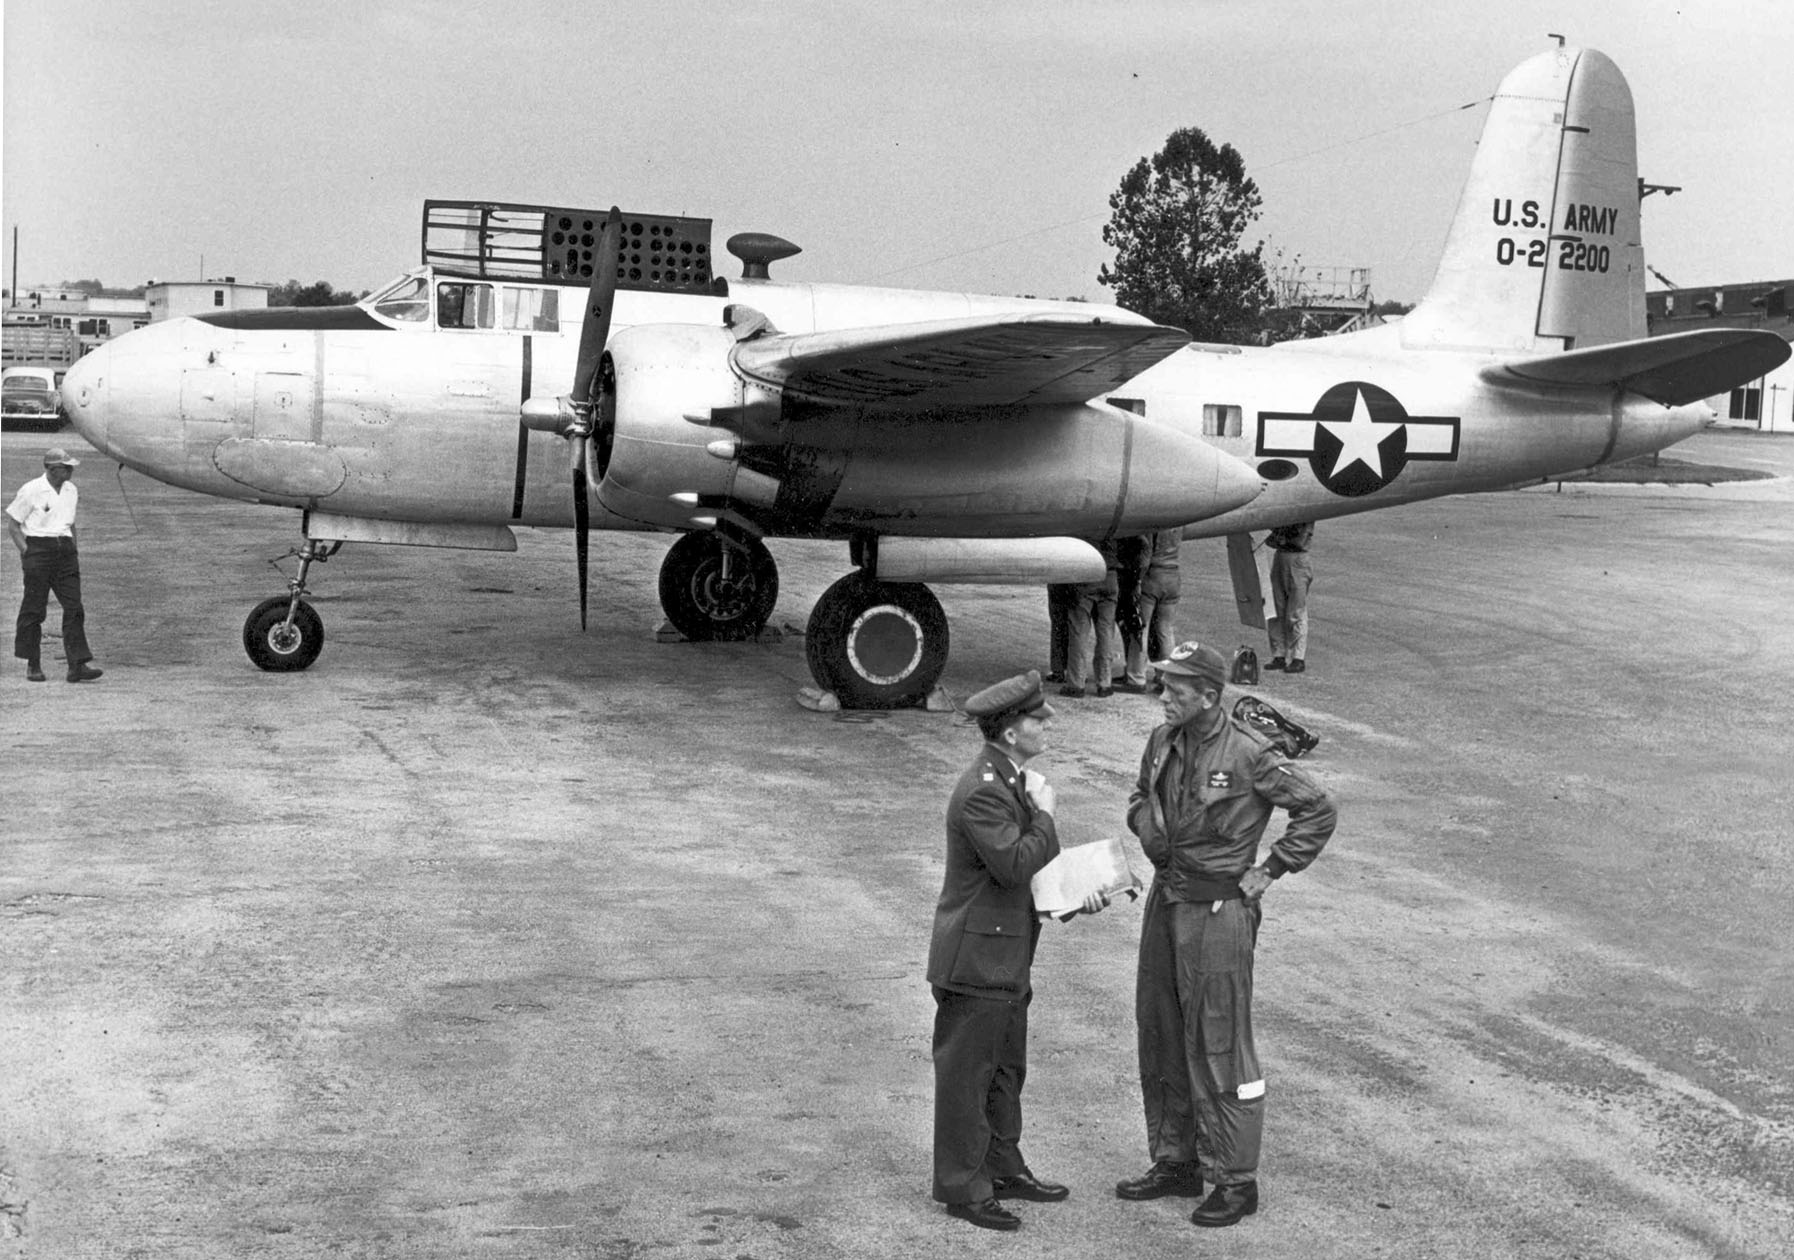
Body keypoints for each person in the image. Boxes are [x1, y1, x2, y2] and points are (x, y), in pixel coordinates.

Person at [1116, 641, 1336, 1227]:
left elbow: (1317, 809)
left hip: (1217, 911)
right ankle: (1176, 1160)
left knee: (1217, 1040)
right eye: (1164, 685)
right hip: (1167, 900)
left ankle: (1235, 1180)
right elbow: (1139, 797)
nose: (1163, 697)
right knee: (1160, 1029)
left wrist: (1271, 868)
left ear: (1209, 696)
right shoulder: (1163, 741)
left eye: (1176, 690)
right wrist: (1150, 829)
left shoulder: (1249, 754)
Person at [928, 669, 1107, 1231]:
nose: (1045, 724)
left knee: (1005, 1069)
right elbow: (1012, 865)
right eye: (1035, 719)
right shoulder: (985, 790)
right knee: (968, 1077)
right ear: (1009, 733)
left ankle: (1003, 1166)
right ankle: (964, 1187)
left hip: (1003, 954)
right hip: (978, 961)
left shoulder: (1008, 781)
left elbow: (1027, 876)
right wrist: (1047, 813)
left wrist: (1074, 897)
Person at [8, 448, 103, 683]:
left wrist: (74, 548)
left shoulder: (71, 490)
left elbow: (70, 523)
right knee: (34, 608)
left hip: (65, 553)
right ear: (51, 469)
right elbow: (13, 525)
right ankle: (33, 664)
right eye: (65, 467)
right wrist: (26, 552)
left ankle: (77, 665)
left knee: (74, 607)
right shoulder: (31, 490)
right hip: (38, 551)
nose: (70, 470)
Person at [1117, 529, 1181, 692]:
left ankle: (1136, 677)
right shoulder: (1178, 519)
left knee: (1140, 630)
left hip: (1153, 575)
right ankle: (1166, 678)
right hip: (1173, 574)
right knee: (1166, 630)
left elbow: (1146, 552)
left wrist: (1138, 579)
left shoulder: (1156, 519)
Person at [1061, 537, 1119, 698]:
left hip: (1085, 573)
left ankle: (1076, 684)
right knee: (1106, 631)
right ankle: (1104, 683)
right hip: (1110, 574)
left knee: (1079, 631)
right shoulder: (1112, 520)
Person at [1265, 522, 1315, 674]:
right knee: (1276, 609)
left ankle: (1298, 658)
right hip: (1282, 556)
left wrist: (1278, 536)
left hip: (1298, 557)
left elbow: (1293, 536)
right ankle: (1279, 655)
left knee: (1296, 611)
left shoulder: (1305, 512)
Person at [1044, 583, 1077, 683]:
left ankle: (1058, 670)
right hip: (1076, 584)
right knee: (1077, 628)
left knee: (1058, 626)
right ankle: (1077, 671)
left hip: (1058, 582)